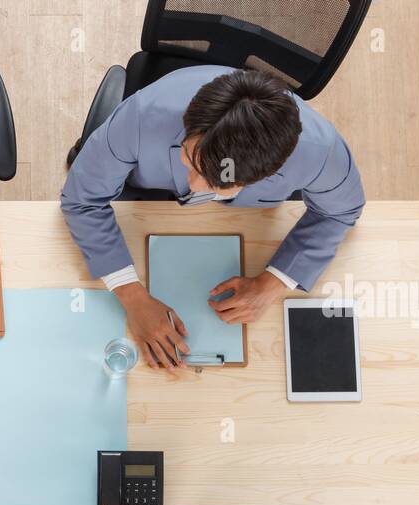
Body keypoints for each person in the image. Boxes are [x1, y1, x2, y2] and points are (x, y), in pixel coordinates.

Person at [61, 66, 365, 368]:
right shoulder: (144, 114)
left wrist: (273, 282)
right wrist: (132, 296)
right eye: (189, 158)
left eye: (215, 180)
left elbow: (340, 211)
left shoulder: (319, 152)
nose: (194, 185)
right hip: (143, 193)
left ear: (267, 173)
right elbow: (83, 199)